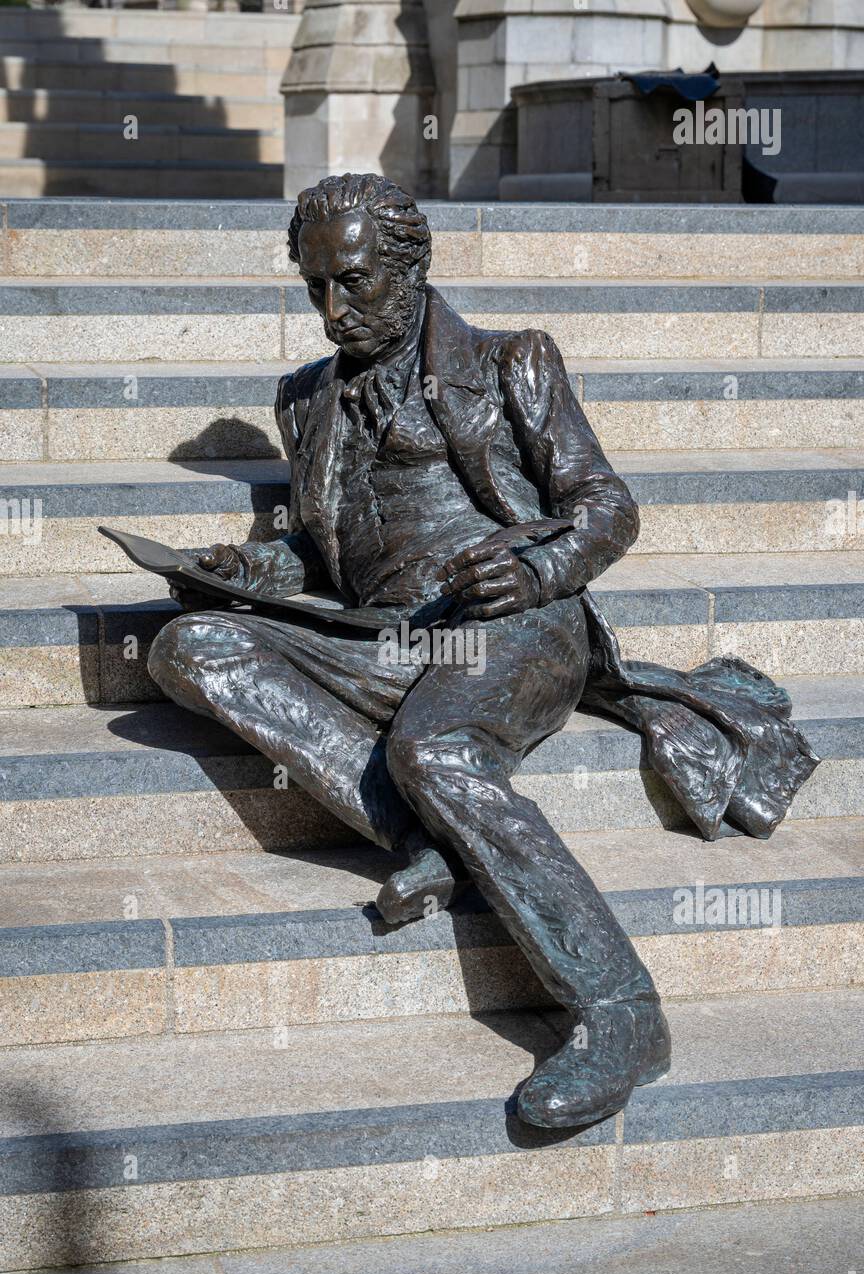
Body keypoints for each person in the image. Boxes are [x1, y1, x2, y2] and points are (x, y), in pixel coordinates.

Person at [148, 174, 817, 1130]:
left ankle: (620, 1010)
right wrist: (245, 567)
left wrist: (542, 576)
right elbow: (322, 545)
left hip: (508, 622)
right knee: (190, 647)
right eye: (314, 289)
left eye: (356, 282)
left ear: (413, 269)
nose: (333, 310)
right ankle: (435, 835)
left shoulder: (513, 361)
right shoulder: (306, 399)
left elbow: (607, 507)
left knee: (435, 750)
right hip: (382, 637)